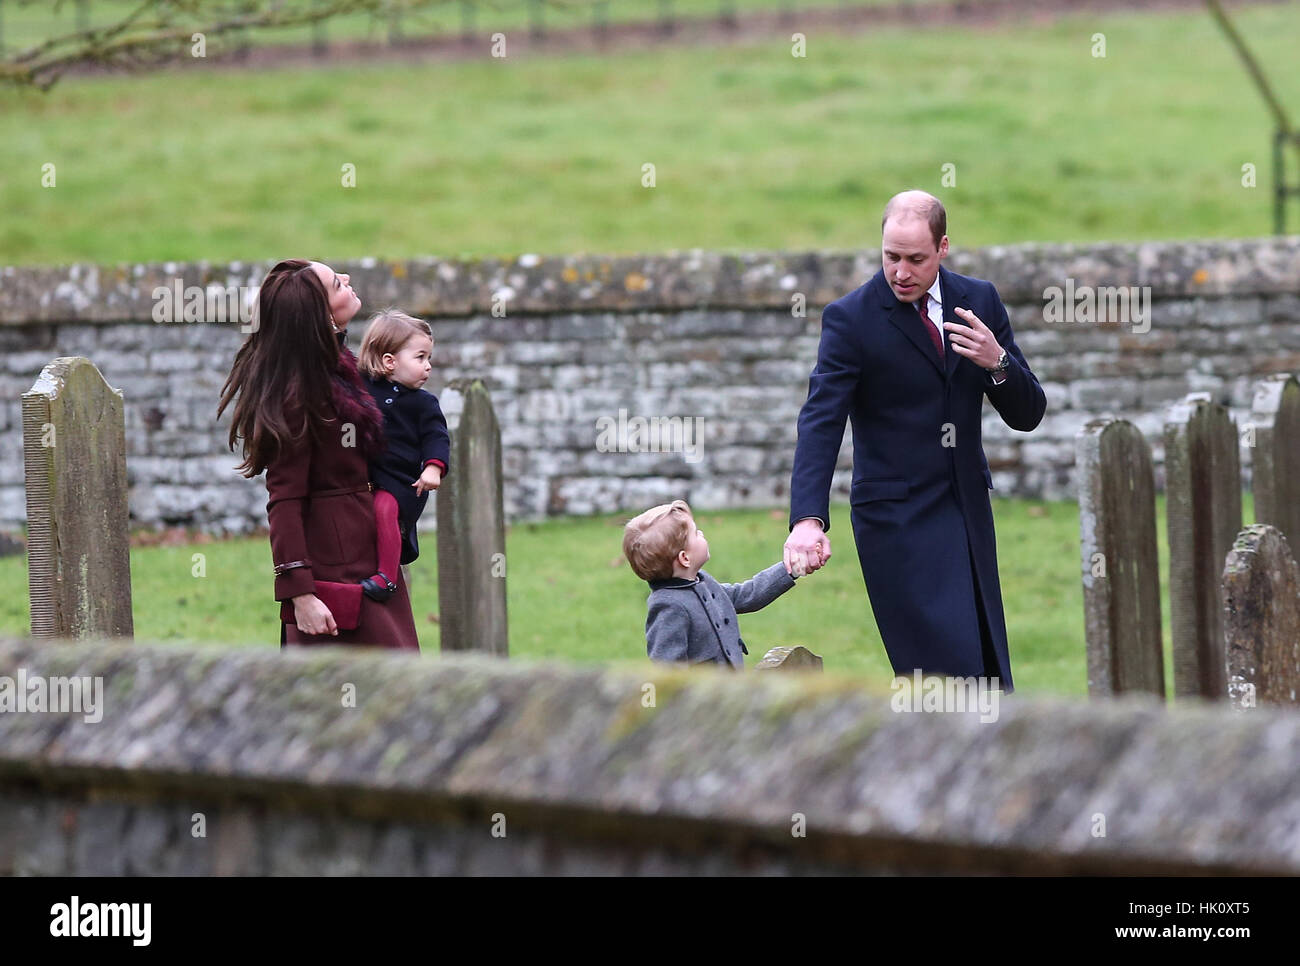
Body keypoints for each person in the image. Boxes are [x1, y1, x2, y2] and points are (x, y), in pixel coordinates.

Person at [784, 190, 1045, 693]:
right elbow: (821, 420)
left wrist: (997, 363)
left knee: (990, 674)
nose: (900, 272)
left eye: (915, 259)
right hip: (896, 526)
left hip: (967, 515)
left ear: (943, 247)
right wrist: (807, 520)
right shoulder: (851, 319)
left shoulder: (980, 301)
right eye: (891, 257)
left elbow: (1028, 414)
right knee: (942, 679)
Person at [218, 258, 421, 649]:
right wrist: (301, 595)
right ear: (322, 316)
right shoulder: (299, 395)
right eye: (335, 284)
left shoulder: (341, 368)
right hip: (335, 572)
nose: (347, 279)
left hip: (370, 554)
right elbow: (284, 500)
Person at [623, 500, 804, 668]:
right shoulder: (669, 606)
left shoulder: (701, 581)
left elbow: (745, 595)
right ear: (685, 558)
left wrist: (789, 569)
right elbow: (668, 671)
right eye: (695, 533)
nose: (702, 533)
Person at [355, 309, 450, 600]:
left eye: (428, 358)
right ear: (388, 361)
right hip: (368, 477)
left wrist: (433, 468)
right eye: (420, 358)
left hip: (403, 484)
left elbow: (437, 436)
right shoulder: (360, 389)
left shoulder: (424, 403)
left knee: (385, 509)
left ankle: (387, 577)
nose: (428, 366)